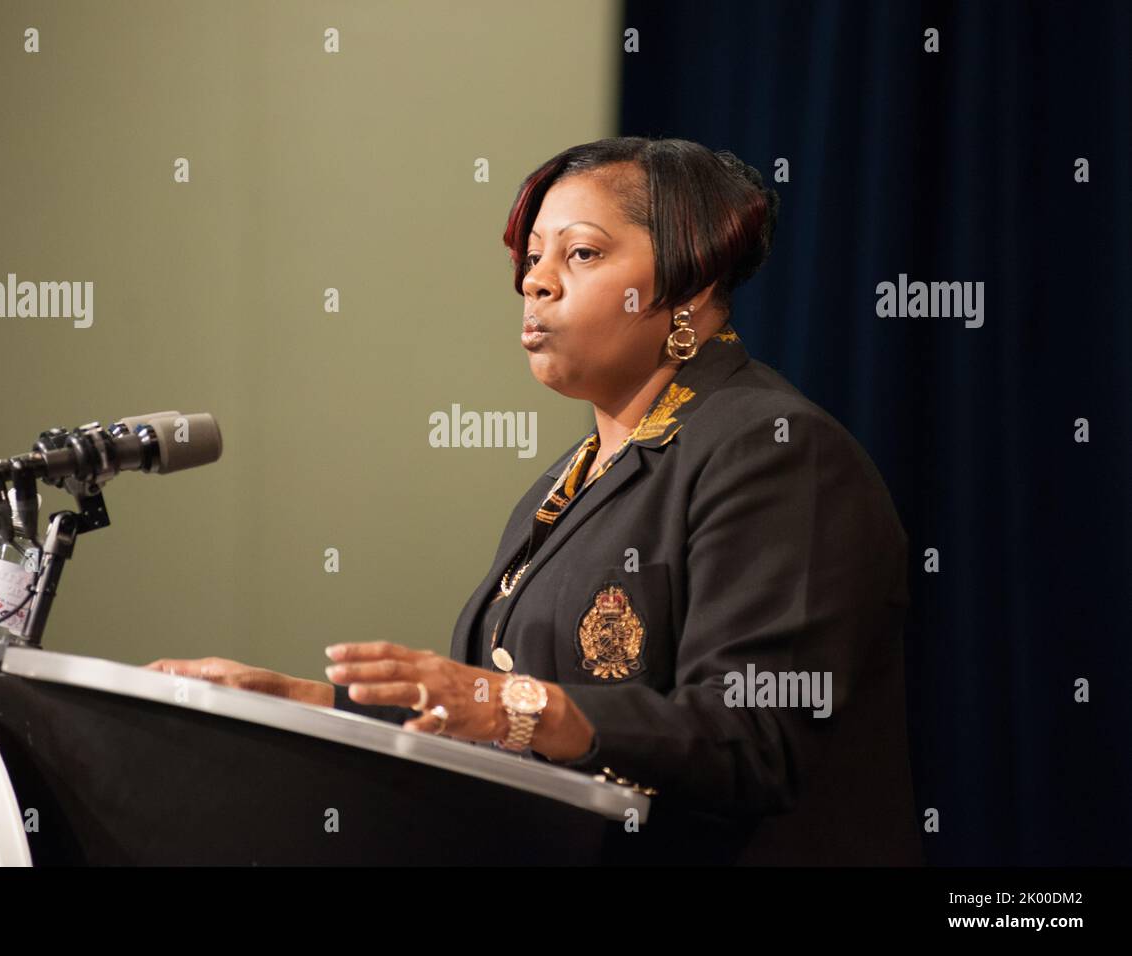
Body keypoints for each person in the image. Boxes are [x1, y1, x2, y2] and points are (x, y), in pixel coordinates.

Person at [149, 137, 922, 865]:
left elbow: (751, 738)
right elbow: (494, 737)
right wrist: (303, 707)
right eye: (533, 257)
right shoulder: (563, 484)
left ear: (692, 281)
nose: (534, 280)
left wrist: (507, 703)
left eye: (581, 253)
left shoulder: (775, 450)